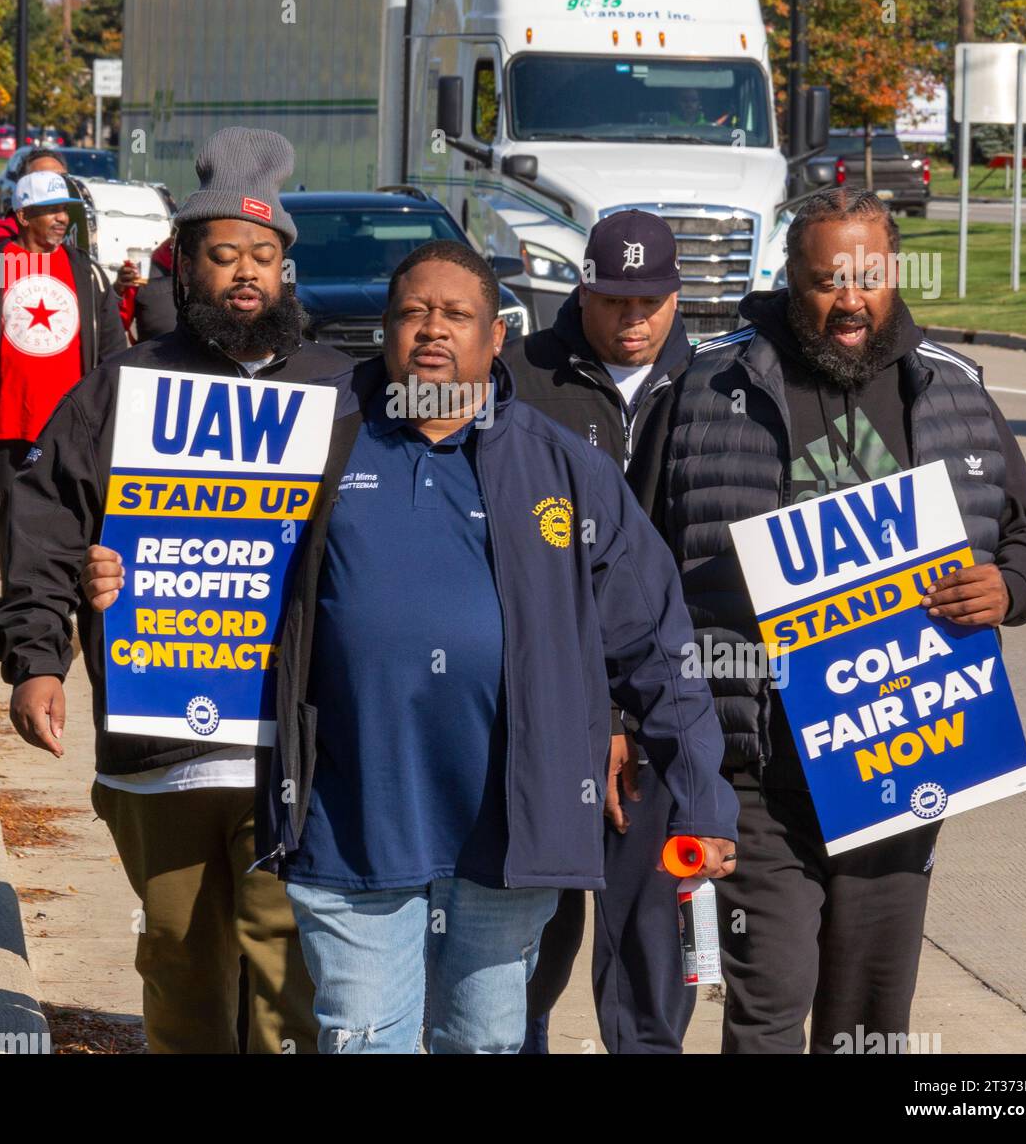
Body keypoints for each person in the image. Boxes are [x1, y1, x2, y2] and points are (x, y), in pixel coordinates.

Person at [84, 238, 738, 1054]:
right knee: (361, 1037)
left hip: (511, 824)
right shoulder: (310, 442)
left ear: (496, 336)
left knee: (484, 1037)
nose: (432, 330)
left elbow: (656, 644)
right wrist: (129, 578)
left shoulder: (563, 468)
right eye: (411, 313)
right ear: (384, 332)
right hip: (352, 815)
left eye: (456, 315)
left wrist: (702, 797)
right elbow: (204, 558)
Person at [648, 185, 1026, 1054]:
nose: (851, 299)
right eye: (829, 278)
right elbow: (632, 569)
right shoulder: (702, 390)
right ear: (789, 280)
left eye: (870, 277)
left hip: (901, 751)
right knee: (767, 1004)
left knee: (872, 1020)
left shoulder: (949, 388)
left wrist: (1008, 589)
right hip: (754, 758)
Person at [0, 128, 354, 1054]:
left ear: (286, 270)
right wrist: (40, 653)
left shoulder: (343, 391)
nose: (245, 275)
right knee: (183, 968)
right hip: (159, 749)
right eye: (223, 254)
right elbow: (46, 524)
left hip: (294, 745)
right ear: (184, 266)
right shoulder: (125, 387)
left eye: (264, 257)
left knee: (286, 978)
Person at [501, 208, 697, 1054]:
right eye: (614, 298)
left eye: (650, 299)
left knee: (652, 959)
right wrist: (596, 722)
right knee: (525, 949)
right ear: (582, 289)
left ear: (678, 295)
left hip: (668, 707)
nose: (633, 318)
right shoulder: (517, 377)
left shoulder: (714, 384)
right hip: (544, 712)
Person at [0, 169, 125, 581]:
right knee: (12, 529)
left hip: (72, 431)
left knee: (71, 525)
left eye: (65, 210)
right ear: (23, 217)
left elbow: (113, 349)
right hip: (6, 428)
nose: (61, 218)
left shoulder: (86, 272)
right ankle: (19, 619)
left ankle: (61, 614)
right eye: (50, 210)